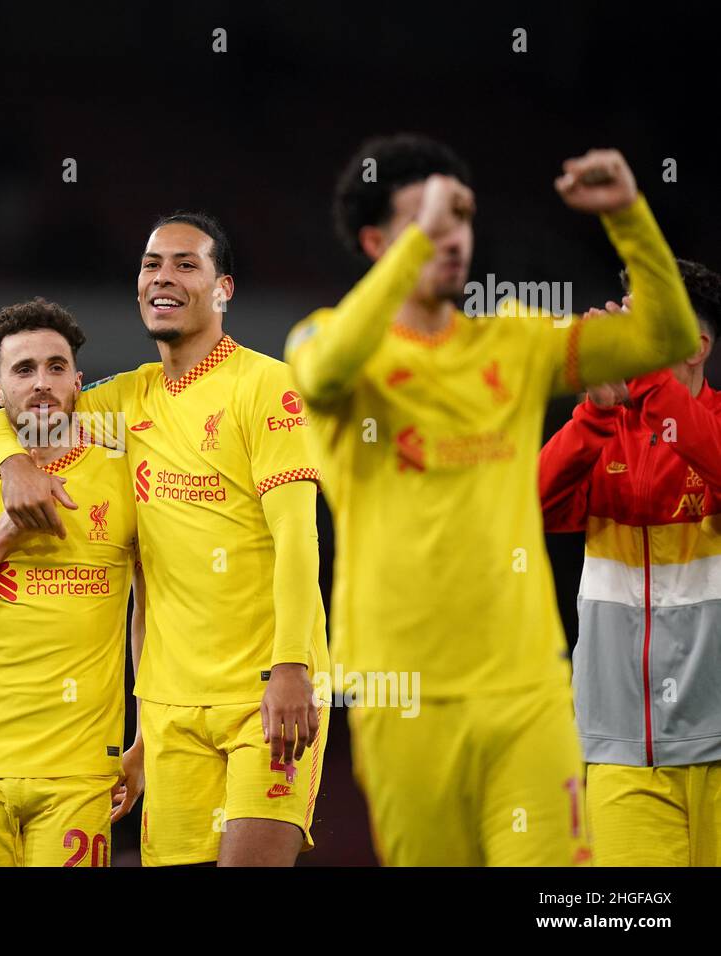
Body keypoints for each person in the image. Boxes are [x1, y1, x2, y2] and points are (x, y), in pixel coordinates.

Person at [285, 134, 699, 865]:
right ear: (378, 241)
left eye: (460, 216)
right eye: (428, 218)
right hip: (401, 693)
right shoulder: (327, 342)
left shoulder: (515, 340)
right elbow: (321, 379)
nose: (451, 236)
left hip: (527, 689)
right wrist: (416, 246)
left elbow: (664, 335)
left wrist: (630, 216)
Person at [0, 214, 330, 866]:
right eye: (151, 263)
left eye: (185, 264)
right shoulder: (123, 403)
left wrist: (292, 668)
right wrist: (11, 463)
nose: (163, 276)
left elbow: (299, 538)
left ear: (222, 289)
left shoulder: (267, 386)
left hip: (262, 694)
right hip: (168, 712)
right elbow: (20, 408)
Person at [0, 299, 143, 866]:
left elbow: (152, 612)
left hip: (81, 767)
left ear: (78, 382)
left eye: (55, 367)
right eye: (23, 370)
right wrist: (0, 534)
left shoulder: (126, 480)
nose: (41, 383)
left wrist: (147, 738)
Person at [539, 259, 721, 866]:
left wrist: (643, 381)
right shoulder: (602, 436)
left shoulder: (714, 427)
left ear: (696, 347)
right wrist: (594, 412)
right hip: (623, 750)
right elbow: (525, 509)